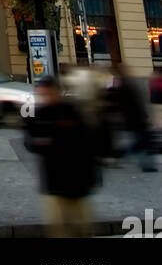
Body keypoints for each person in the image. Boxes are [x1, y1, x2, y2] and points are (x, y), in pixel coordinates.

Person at [23, 76, 99, 237]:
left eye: (48, 94)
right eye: (42, 95)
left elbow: (88, 145)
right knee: (58, 229)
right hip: (53, 183)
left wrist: (92, 178)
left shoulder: (72, 111)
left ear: (57, 92)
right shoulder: (39, 114)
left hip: (76, 182)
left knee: (81, 229)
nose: (45, 98)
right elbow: (30, 142)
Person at [107, 62, 157, 172]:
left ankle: (145, 164)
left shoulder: (122, 83)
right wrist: (145, 116)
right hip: (135, 118)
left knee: (140, 141)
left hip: (131, 118)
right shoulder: (127, 84)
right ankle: (122, 156)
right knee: (140, 142)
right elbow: (136, 102)